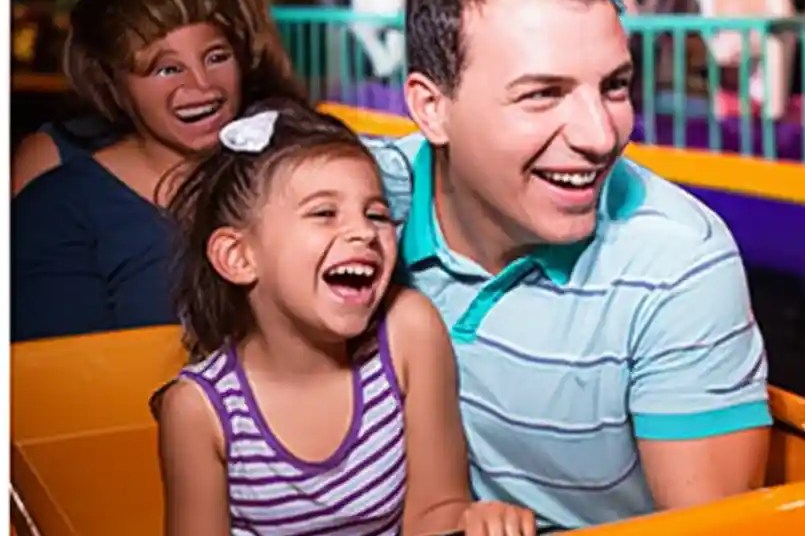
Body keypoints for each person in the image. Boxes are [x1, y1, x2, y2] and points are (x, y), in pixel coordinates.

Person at [367, 0, 772, 532]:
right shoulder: (359, 203)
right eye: (543, 94)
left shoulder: (676, 262)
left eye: (614, 86)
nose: (599, 136)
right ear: (432, 108)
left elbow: (710, 527)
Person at [152, 99, 536, 536]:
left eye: (376, 214)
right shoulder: (199, 411)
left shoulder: (408, 331)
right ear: (238, 256)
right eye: (324, 213)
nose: (363, 232)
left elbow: (436, 510)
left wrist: (476, 521)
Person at [11, 0, 307, 341]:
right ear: (113, 82)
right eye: (167, 69)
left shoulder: (296, 173)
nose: (201, 86)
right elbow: (64, 374)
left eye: (217, 57)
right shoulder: (60, 208)